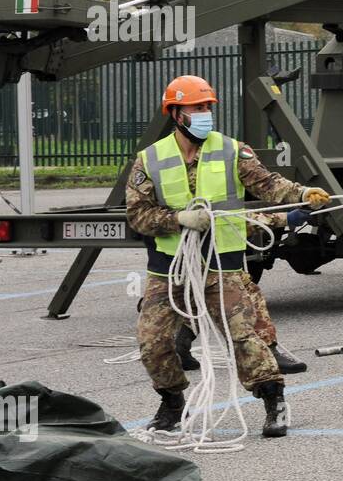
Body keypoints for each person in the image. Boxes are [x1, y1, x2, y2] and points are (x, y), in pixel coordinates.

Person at [125, 75, 329, 438]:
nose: (205, 114)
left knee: (243, 336)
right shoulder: (149, 159)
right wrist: (178, 220)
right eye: (197, 108)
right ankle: (172, 403)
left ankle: (273, 398)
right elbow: (137, 215)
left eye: (208, 107)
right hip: (170, 268)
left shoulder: (232, 150)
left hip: (221, 261)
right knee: (152, 343)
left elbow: (268, 184)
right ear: (176, 113)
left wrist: (303, 192)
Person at [174, 210, 312, 376]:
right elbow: (236, 219)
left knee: (200, 295)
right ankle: (266, 352)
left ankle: (180, 343)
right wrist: (286, 217)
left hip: (180, 252)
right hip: (215, 252)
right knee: (250, 295)